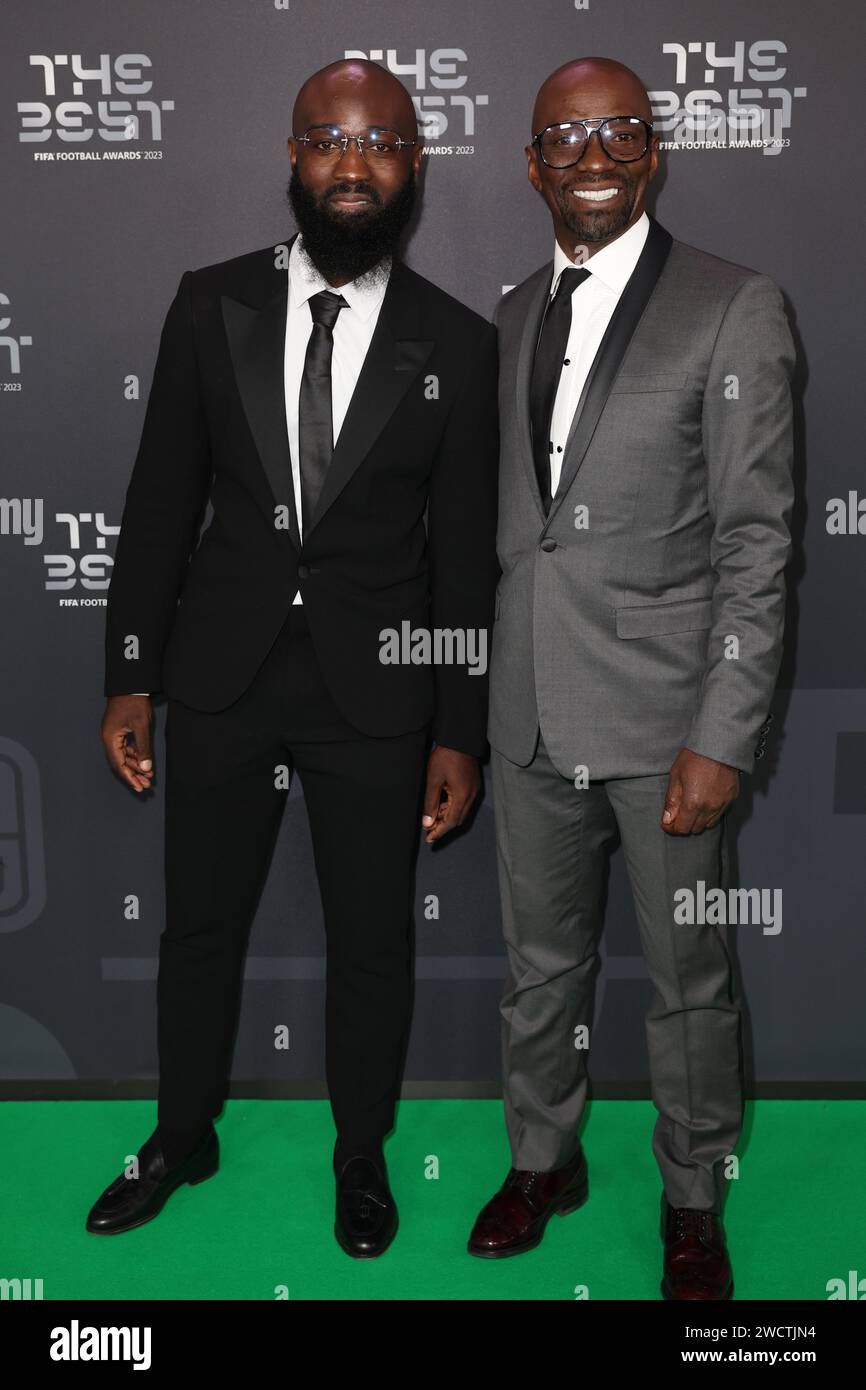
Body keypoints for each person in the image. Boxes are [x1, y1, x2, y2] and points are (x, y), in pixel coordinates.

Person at [90, 58, 498, 1259]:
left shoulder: (456, 345)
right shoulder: (209, 302)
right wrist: (130, 672)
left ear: (414, 164)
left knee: (372, 940)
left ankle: (361, 1154)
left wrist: (459, 728)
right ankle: (180, 1133)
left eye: (378, 143)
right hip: (219, 673)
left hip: (377, 692)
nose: (352, 164)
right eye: (327, 138)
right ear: (293, 158)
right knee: (198, 928)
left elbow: (466, 560)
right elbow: (158, 503)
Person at [468, 56, 794, 1300]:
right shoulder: (506, 315)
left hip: (668, 722)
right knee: (536, 968)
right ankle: (542, 1159)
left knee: (686, 981)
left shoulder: (731, 304)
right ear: (534, 162)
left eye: (617, 133)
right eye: (564, 135)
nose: (591, 156)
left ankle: (691, 1192)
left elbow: (755, 542)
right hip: (527, 715)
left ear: (652, 151)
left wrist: (724, 731)